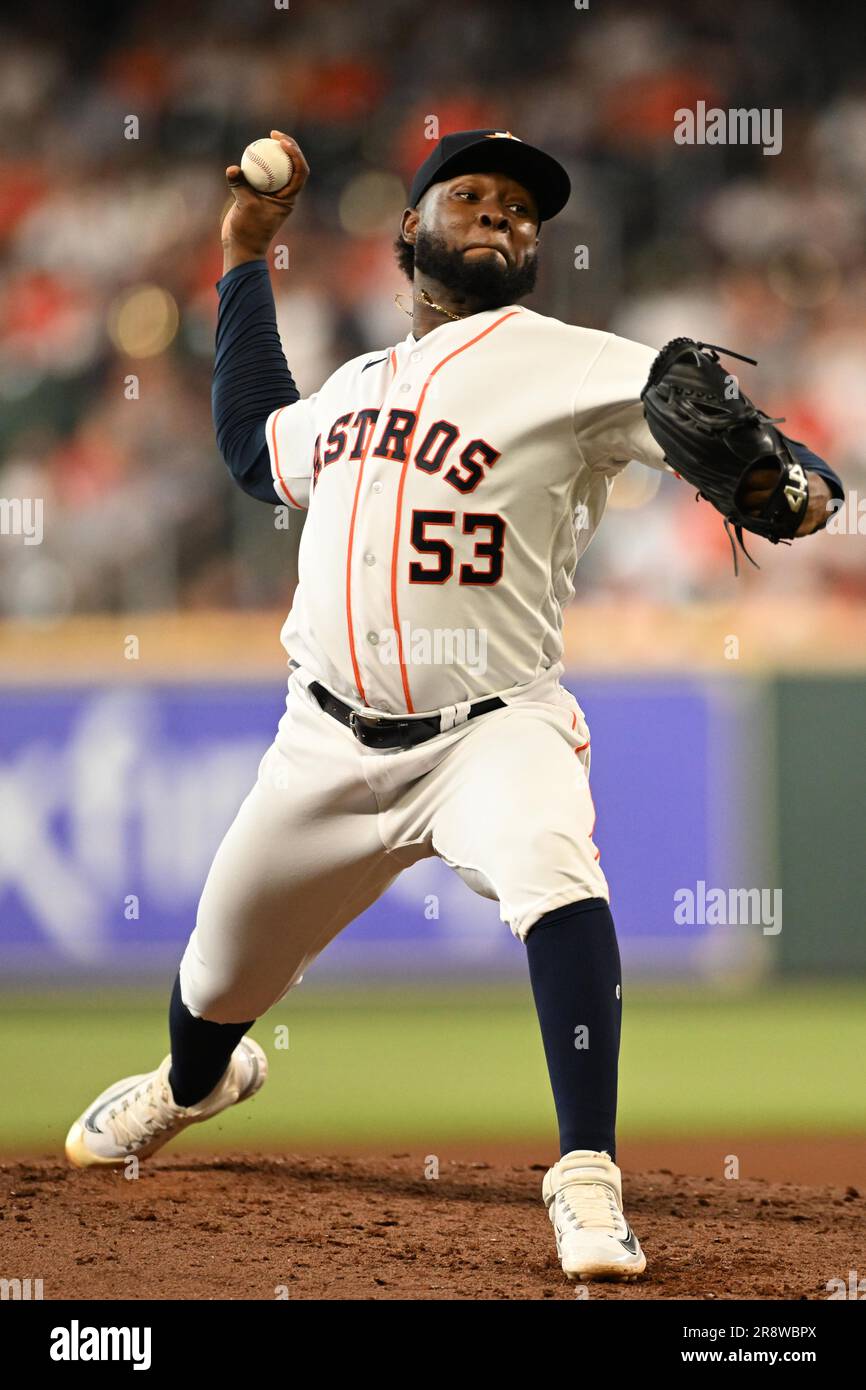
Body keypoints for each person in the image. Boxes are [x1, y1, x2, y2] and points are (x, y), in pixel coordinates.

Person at [65, 129, 843, 1285]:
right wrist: (239, 252)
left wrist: (796, 485)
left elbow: (770, 465)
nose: (499, 215)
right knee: (212, 984)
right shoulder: (356, 387)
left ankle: (586, 1174)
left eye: (522, 209)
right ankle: (194, 1084)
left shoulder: (580, 365)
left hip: (491, 729)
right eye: (469, 195)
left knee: (552, 864)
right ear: (407, 237)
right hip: (322, 742)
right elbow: (246, 442)